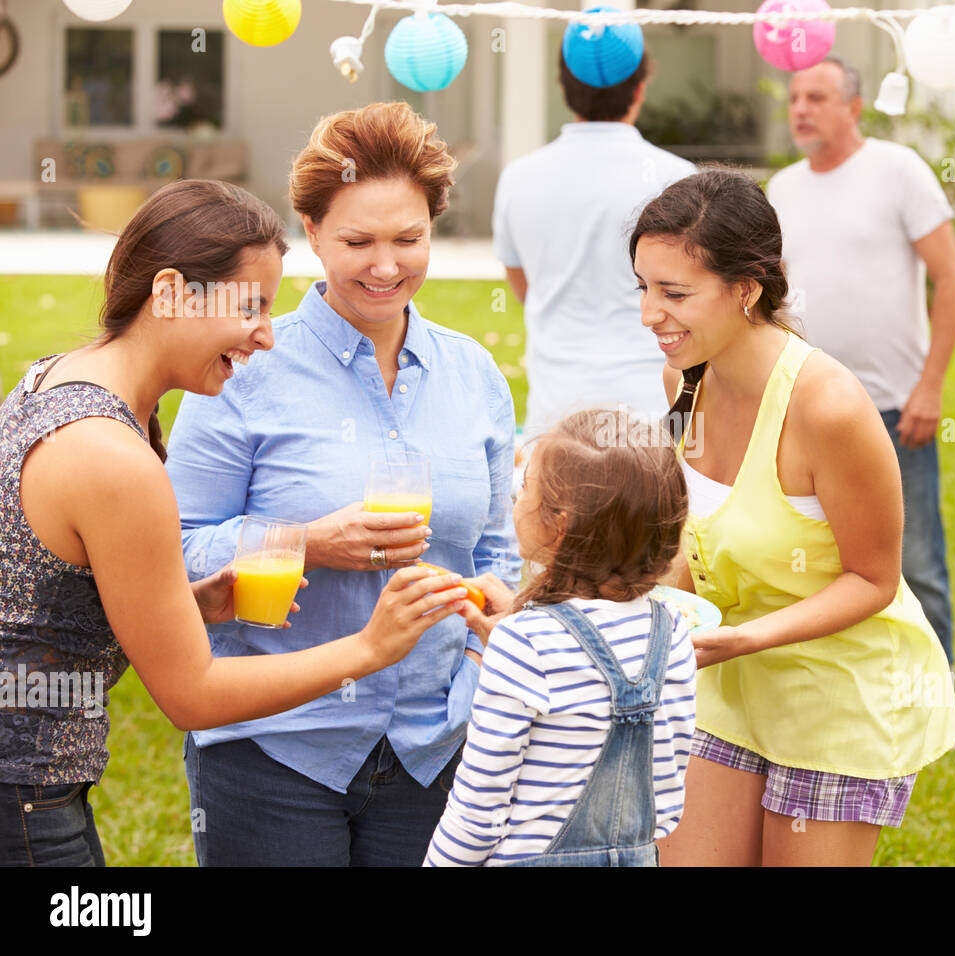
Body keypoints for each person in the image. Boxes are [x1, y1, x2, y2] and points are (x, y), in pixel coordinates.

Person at [0, 179, 466, 867]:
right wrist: (370, 648)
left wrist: (186, 605)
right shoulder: (113, 457)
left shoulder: (53, 380)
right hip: (24, 796)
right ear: (171, 293)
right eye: (249, 307)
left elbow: (38, 611)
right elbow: (192, 696)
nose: (266, 335)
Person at [164, 103, 522, 867]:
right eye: (358, 241)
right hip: (277, 745)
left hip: (439, 748)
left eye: (409, 239)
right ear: (311, 231)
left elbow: (499, 548)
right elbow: (173, 554)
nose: (386, 267)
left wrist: (498, 603)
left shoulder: (474, 376)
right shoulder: (243, 367)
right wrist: (309, 544)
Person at [636, 170, 955, 867]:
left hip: (836, 697)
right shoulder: (684, 382)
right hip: (730, 683)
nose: (648, 313)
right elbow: (692, 552)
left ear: (746, 289)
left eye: (674, 293)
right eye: (642, 286)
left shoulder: (829, 407)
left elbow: (873, 579)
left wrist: (748, 638)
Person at [425, 408, 696, 866]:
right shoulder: (672, 630)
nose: (516, 496)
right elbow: (665, 802)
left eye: (525, 485)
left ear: (560, 524)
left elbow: (477, 812)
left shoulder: (522, 642)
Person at [766, 57, 955, 665]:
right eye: (796, 97)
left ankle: (935, 695)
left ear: (854, 108)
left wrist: (929, 389)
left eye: (818, 97)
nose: (802, 108)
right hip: (803, 409)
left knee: (917, 563)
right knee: (819, 561)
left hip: (891, 409)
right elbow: (771, 297)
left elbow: (952, 280)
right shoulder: (783, 190)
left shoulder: (898, 171)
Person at [492, 38, 695, 442]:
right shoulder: (680, 179)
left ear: (563, 86)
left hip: (556, 412)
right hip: (656, 407)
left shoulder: (520, 177)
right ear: (639, 88)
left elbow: (523, 288)